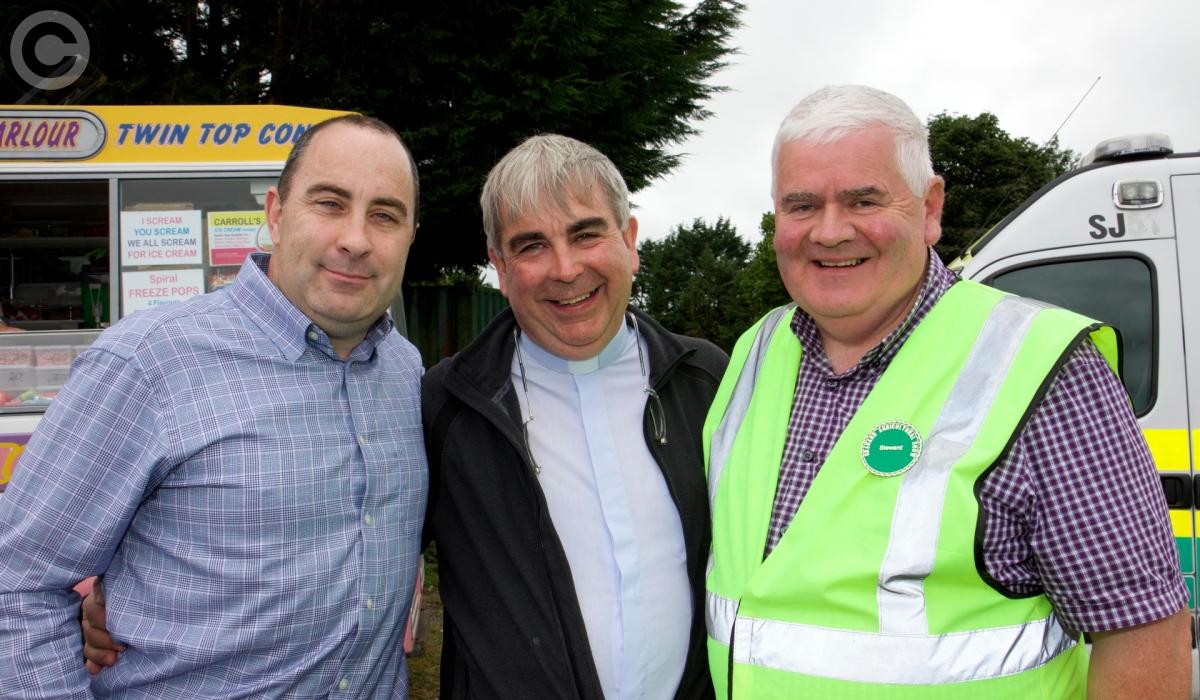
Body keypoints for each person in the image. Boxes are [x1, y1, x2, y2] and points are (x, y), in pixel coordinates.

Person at [703, 84, 1191, 698]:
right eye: (801, 205)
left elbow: (1142, 630)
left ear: (930, 208)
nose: (828, 232)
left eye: (863, 200)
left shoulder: (1045, 369)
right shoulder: (754, 351)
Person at [0, 114, 428, 698]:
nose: (355, 238)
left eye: (384, 214)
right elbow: (18, 585)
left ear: (409, 235)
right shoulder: (147, 363)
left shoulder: (408, 375)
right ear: (276, 214)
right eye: (329, 203)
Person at [421, 134, 725, 698]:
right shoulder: (447, 405)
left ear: (629, 239)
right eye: (531, 245)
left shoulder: (706, 380)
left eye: (586, 234)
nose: (565, 268)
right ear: (500, 266)